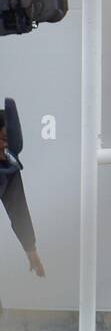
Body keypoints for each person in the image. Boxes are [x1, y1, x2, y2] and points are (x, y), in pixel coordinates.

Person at [0, 100, 45, 298]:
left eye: (7, 142)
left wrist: (30, 249)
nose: (4, 147)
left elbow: (18, 210)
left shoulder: (7, 164)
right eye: (1, 140)